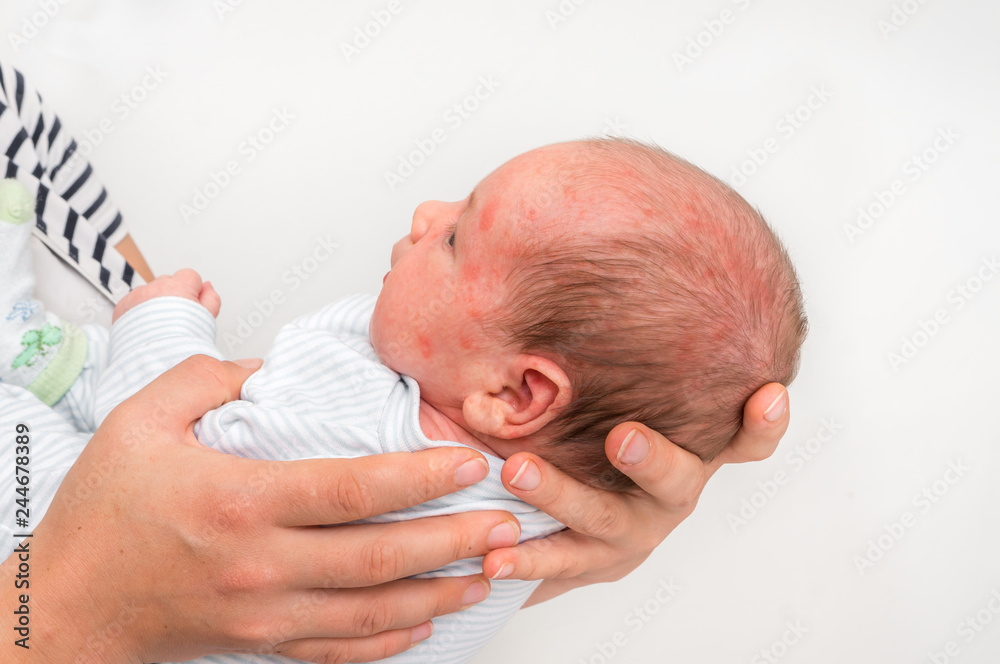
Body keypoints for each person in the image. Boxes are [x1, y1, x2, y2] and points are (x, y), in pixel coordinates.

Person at [0, 61, 794, 663]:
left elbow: (153, 435)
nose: (426, 215)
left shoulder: (373, 425)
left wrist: (161, 324)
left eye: (456, 238)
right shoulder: (537, 522)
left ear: (516, 394)